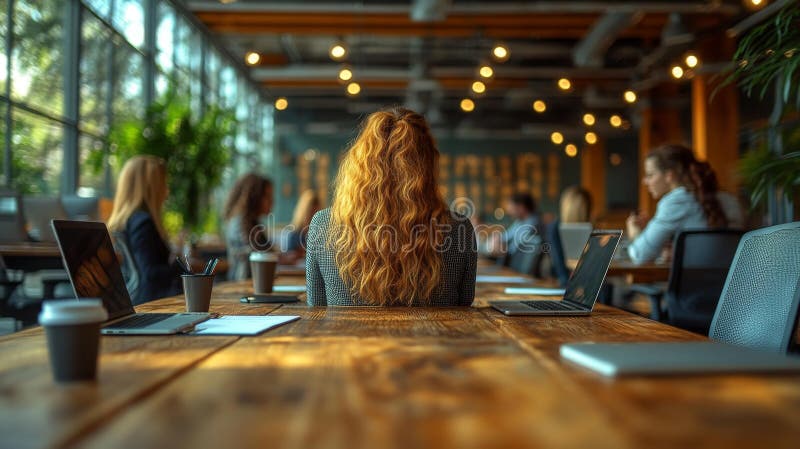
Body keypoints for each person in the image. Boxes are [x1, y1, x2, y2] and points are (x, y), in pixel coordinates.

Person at [306, 107, 477, 306]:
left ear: (359, 163)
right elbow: (465, 302)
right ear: (428, 165)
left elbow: (316, 306)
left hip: (346, 337)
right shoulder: (459, 228)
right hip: (433, 337)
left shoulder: (323, 224)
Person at [627, 144, 728, 264]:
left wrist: (635, 233)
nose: (645, 181)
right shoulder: (727, 198)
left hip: (696, 281)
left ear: (669, 176)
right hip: (732, 281)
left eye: (650, 175)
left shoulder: (675, 202)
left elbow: (639, 255)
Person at [107, 155, 182, 305]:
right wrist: (179, 265)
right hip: (155, 303)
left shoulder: (128, 221)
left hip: (145, 301)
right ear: (151, 188)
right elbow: (150, 273)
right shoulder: (143, 223)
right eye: (163, 184)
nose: (166, 192)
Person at [222, 173, 275, 281]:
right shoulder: (240, 223)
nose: (272, 201)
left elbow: (266, 252)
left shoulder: (253, 222)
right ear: (254, 197)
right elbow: (255, 255)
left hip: (254, 282)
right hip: (242, 285)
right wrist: (279, 256)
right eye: (267, 196)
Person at [548, 186, 592, 286]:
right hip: (564, 281)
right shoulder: (555, 228)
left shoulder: (591, 227)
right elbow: (559, 266)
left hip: (576, 279)